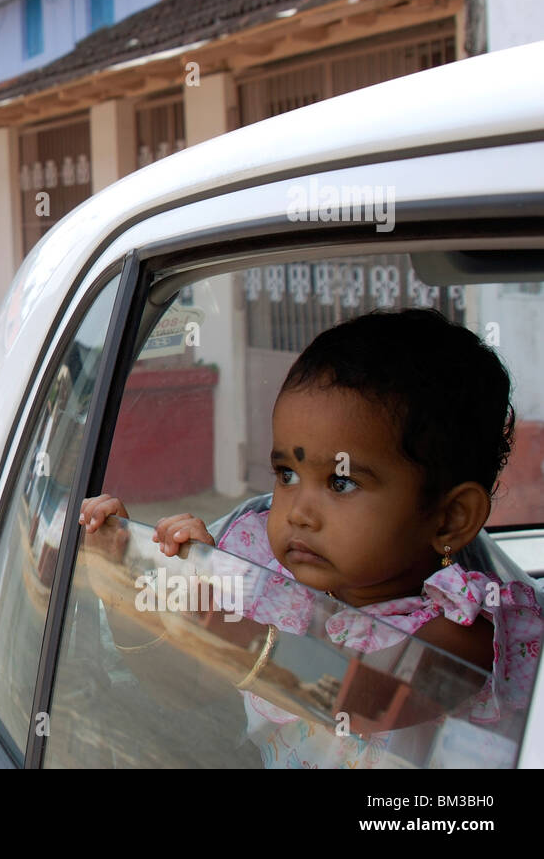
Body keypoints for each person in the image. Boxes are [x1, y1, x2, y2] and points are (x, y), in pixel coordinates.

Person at [80, 308, 542, 768]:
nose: (298, 512)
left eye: (341, 483)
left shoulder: (468, 634)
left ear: (449, 519)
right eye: (286, 474)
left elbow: (351, 696)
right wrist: (129, 586)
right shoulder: (275, 590)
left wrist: (212, 614)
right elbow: (183, 690)